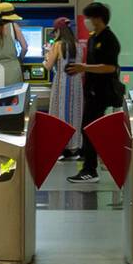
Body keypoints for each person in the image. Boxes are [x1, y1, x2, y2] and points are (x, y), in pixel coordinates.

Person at [66, 1, 123, 183]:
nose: (86, 21)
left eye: (89, 17)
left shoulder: (109, 39)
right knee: (90, 129)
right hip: (91, 91)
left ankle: (90, 169)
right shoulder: (93, 38)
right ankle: (94, 165)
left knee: (89, 129)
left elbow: (110, 68)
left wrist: (84, 67)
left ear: (98, 19)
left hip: (102, 92)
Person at [43, 16, 84, 160]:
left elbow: (48, 66)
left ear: (58, 30)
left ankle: (60, 148)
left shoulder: (57, 45)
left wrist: (46, 54)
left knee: (59, 115)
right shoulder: (78, 45)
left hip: (62, 85)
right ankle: (73, 150)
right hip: (77, 86)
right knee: (75, 115)